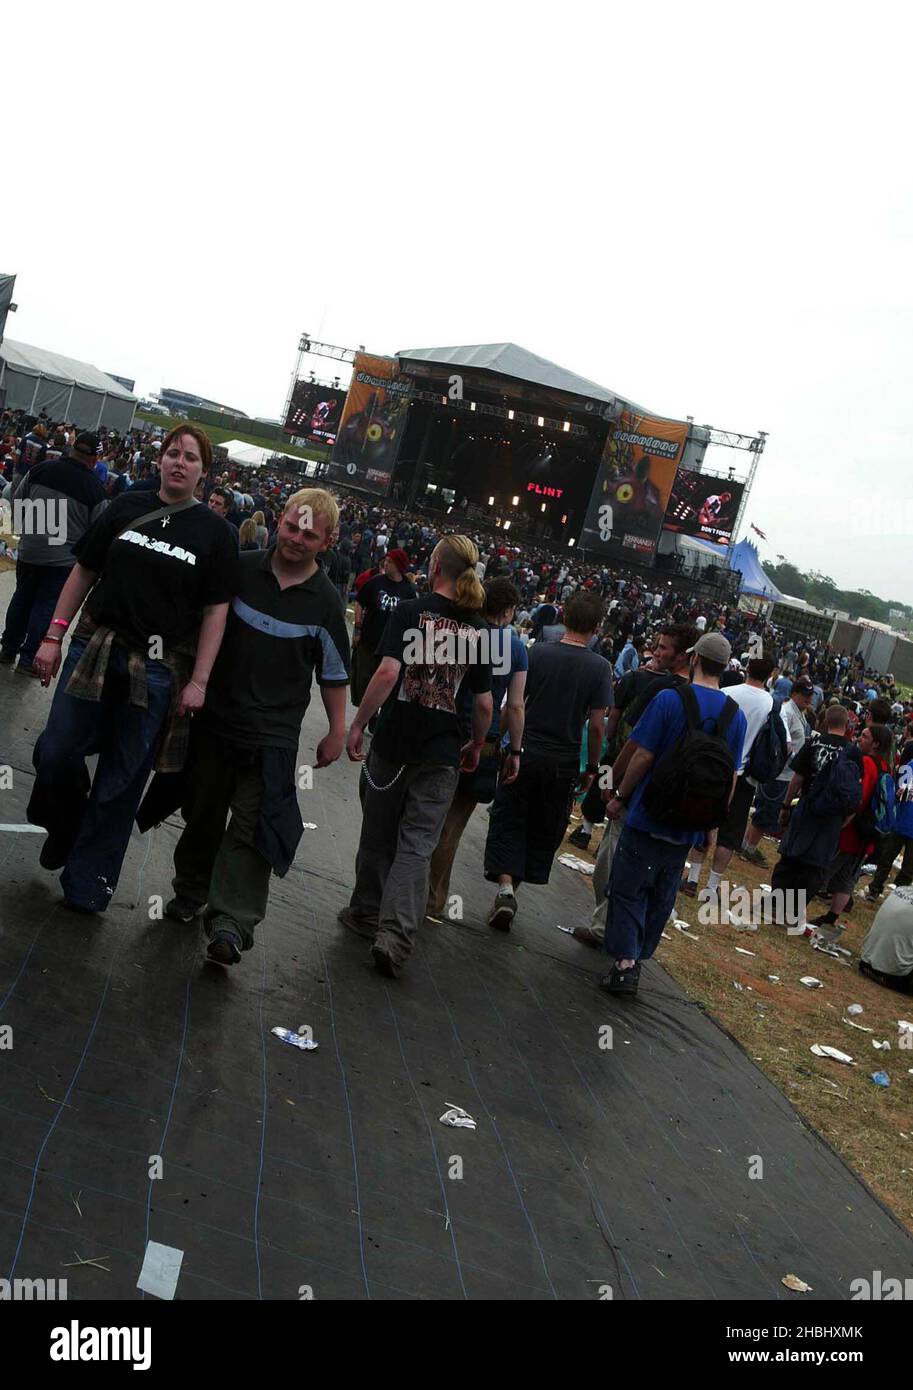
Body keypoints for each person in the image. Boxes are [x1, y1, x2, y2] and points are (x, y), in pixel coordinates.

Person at [27, 425, 239, 913]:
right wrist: (53, 635)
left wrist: (200, 681)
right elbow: (83, 570)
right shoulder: (125, 505)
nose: (179, 462)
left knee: (122, 783)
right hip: (94, 649)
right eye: (172, 453)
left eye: (190, 457)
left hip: (160, 671)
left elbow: (215, 612)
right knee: (56, 753)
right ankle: (66, 826)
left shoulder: (215, 535)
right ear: (159, 460)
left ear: (204, 471)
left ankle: (87, 883)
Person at [152, 490, 350, 965]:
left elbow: (336, 674)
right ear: (279, 521)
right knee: (202, 810)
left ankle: (230, 923)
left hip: (272, 738)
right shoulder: (237, 570)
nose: (297, 539)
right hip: (215, 721)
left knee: (252, 827)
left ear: (328, 540)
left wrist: (338, 731)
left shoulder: (326, 603)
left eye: (309, 534)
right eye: (291, 527)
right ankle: (190, 890)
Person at [341, 536, 493, 977]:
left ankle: (366, 912)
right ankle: (395, 937)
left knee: (378, 831)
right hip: (442, 751)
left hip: (393, 743)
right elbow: (485, 704)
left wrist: (357, 723)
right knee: (417, 845)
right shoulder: (481, 631)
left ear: (436, 567)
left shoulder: (410, 612)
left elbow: (388, 672)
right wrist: (478, 744)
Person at [599, 632, 746, 996]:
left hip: (650, 812)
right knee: (663, 893)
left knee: (629, 888)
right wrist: (714, 821)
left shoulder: (669, 699)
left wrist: (620, 795)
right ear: (724, 668)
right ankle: (640, 955)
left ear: (694, 658)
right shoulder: (735, 716)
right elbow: (730, 776)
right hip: (690, 822)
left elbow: (643, 755)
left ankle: (625, 963)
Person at [483, 591, 612, 933]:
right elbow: (597, 725)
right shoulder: (600, 668)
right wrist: (592, 766)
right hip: (564, 759)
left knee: (509, 816)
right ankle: (512, 890)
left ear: (564, 618)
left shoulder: (536, 651)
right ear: (597, 627)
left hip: (525, 749)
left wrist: (508, 744)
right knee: (544, 826)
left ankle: (506, 887)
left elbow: (515, 703)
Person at [427, 577, 527, 915]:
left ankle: (417, 889)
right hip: (485, 741)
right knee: (452, 825)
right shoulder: (515, 648)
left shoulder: (465, 632)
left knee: (427, 815)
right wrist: (515, 751)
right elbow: (515, 705)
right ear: (510, 611)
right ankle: (433, 898)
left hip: (447, 728)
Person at [1, 432, 109, 676]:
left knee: (22, 598)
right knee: (46, 606)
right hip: (63, 561)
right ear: (94, 459)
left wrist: (26, 533)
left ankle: (8, 648)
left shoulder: (41, 470)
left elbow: (17, 501)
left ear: (72, 449)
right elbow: (99, 533)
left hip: (30, 551)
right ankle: (28, 659)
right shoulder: (95, 491)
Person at [680, 654, 778, 901]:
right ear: (771, 674)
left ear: (747, 669)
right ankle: (711, 888)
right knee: (730, 835)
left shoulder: (727, 692)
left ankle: (692, 879)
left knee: (703, 821)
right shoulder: (770, 703)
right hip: (744, 775)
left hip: (715, 765)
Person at [739, 677, 814, 867]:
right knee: (767, 811)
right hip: (780, 771)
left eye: (810, 695)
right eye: (804, 695)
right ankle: (748, 848)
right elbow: (781, 742)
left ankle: (747, 845)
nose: (808, 699)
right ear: (794, 694)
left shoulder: (800, 713)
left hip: (787, 772)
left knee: (767, 811)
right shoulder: (787, 712)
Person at [350, 548, 416, 704]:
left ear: (399, 565)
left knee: (382, 683)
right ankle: (364, 712)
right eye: (385, 560)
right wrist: (357, 629)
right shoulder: (376, 581)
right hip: (369, 639)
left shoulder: (408, 590)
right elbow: (360, 602)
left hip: (390, 645)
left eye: (390, 562)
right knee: (362, 679)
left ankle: (372, 715)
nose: (385, 564)